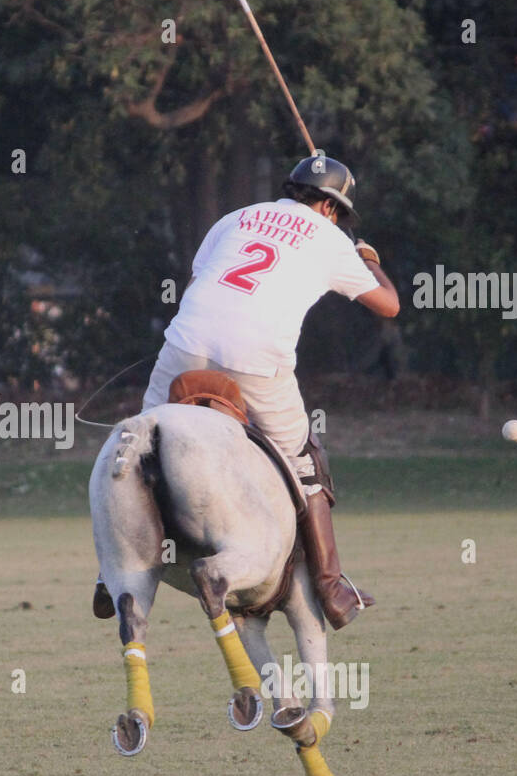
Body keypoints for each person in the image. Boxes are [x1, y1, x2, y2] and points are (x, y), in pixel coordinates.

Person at [95, 153, 400, 629]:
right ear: (329, 208)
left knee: (137, 447)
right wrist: (368, 258)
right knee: (303, 456)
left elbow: (197, 282)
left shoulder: (235, 218)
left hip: (187, 343)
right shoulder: (331, 239)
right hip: (256, 360)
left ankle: (109, 572)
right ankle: (331, 586)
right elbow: (388, 305)